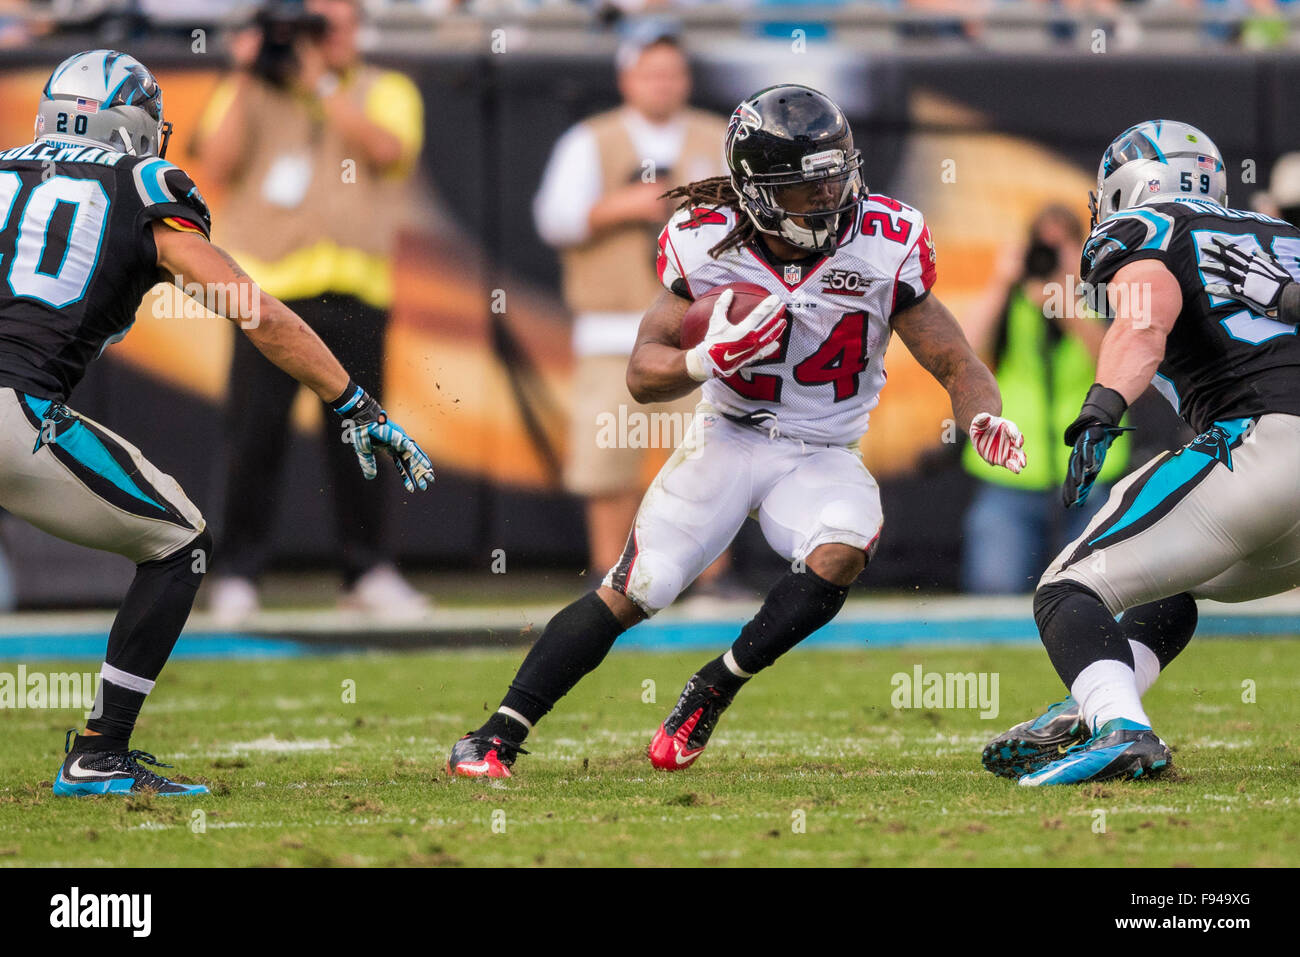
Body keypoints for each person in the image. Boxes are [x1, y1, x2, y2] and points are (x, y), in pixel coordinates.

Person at [448, 84, 1027, 778]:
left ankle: (715, 684)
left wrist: (983, 413)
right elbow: (641, 370)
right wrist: (702, 359)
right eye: (807, 187)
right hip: (728, 435)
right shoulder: (706, 241)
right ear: (757, 192)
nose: (832, 196)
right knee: (640, 586)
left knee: (845, 546)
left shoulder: (886, 236)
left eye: (837, 174)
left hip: (821, 449)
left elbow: (956, 359)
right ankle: (494, 734)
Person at [0, 50, 431, 795]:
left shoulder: (6, 166)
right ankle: (100, 751)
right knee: (180, 541)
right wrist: (351, 399)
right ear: (135, 124)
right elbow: (253, 309)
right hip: (17, 406)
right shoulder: (141, 184)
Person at [983, 119, 1300, 786]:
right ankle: (1090, 703)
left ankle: (1123, 728)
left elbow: (1144, 319)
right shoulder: (1285, 238)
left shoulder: (1147, 228)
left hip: (1262, 444)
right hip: (1280, 482)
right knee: (1174, 580)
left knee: (1067, 587)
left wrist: (1103, 406)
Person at [195, 0, 428, 622]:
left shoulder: (387, 88)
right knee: (253, 436)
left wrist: (319, 83)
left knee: (360, 434)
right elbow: (213, 165)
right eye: (308, 28)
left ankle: (367, 570)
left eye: (331, 27)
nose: (318, 40)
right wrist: (247, 73)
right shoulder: (252, 89)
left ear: (356, 31)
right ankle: (239, 573)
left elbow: (385, 151)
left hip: (354, 289)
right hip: (267, 293)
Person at [532, 29, 740, 590]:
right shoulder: (590, 140)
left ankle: (709, 582)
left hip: (700, 331)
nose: (663, 84)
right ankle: (612, 577)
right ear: (627, 79)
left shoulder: (715, 135)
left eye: (673, 72)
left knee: (707, 461)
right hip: (611, 328)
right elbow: (555, 220)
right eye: (652, 73)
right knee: (609, 463)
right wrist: (621, 206)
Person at [960, 204, 1128, 593]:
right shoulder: (1011, 303)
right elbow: (965, 353)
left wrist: (1066, 297)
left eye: (1062, 246)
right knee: (995, 587)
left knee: (1097, 590)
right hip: (1009, 475)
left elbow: (1115, 361)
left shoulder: (1103, 300)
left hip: (1087, 473)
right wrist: (1002, 281)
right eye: (1043, 246)